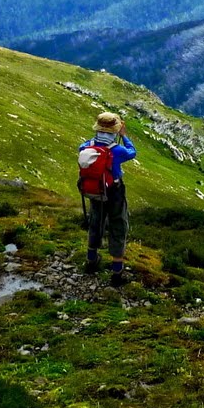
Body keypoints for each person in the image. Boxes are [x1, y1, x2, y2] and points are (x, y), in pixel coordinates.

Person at [81, 111, 136, 285]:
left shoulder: (86, 146)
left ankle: (91, 260)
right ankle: (117, 271)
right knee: (118, 224)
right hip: (114, 191)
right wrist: (124, 136)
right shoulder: (117, 150)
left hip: (95, 190)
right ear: (115, 130)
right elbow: (132, 152)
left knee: (95, 221)